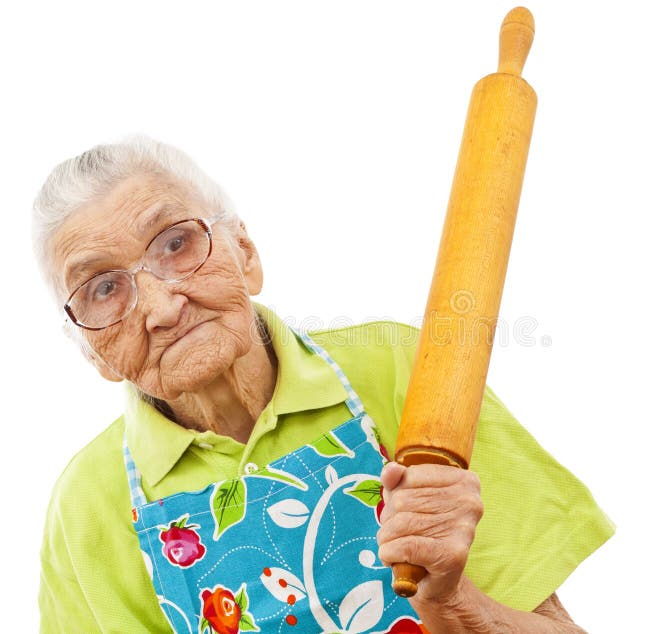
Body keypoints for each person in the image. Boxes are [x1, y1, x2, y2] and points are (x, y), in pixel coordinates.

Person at [34, 136, 614, 633]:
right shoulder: (90, 505)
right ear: (92, 353)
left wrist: (453, 603)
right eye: (103, 289)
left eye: (176, 244)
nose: (160, 308)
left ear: (246, 252)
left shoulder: (403, 370)